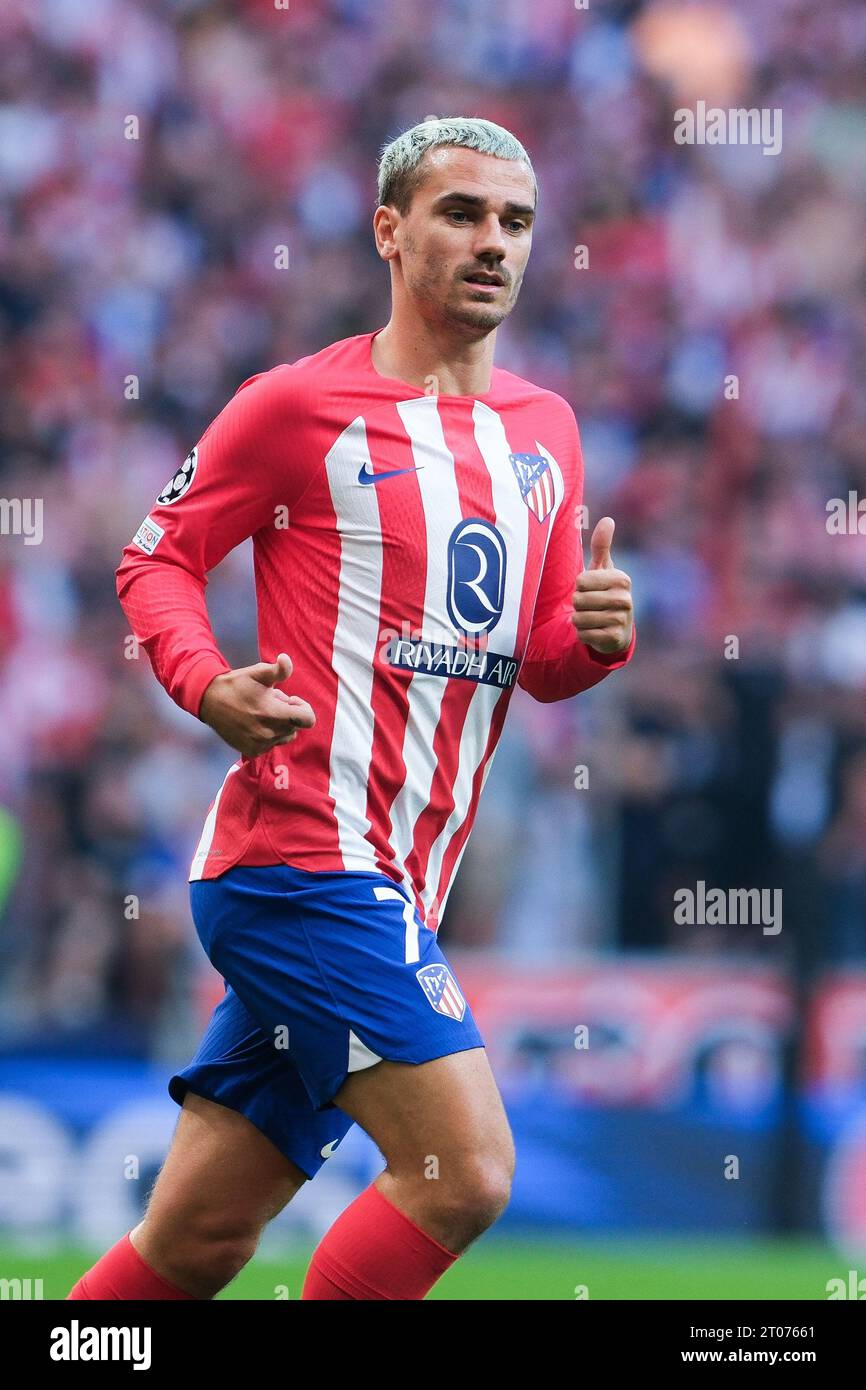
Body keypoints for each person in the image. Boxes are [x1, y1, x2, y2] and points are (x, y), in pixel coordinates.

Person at [69, 117, 635, 1302]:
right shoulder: (294, 408)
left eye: (515, 222)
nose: (493, 243)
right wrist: (202, 681)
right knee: (463, 1171)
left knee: (195, 1244)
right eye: (461, 213)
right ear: (389, 230)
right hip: (301, 865)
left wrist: (589, 647)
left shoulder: (545, 432)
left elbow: (532, 661)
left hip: (400, 881)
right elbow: (156, 558)